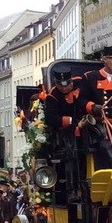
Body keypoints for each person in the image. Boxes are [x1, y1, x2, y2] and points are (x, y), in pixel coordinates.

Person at [43, 69, 84, 203]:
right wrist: (72, 121)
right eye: (61, 85)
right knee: (71, 153)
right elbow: (51, 119)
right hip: (66, 132)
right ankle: (72, 188)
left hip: (86, 125)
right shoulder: (52, 96)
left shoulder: (81, 84)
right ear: (56, 83)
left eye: (67, 84)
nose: (65, 87)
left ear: (72, 82)